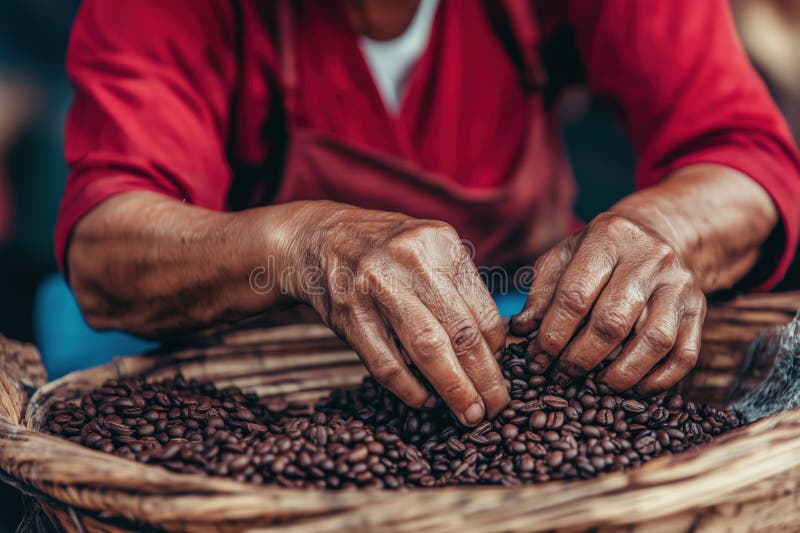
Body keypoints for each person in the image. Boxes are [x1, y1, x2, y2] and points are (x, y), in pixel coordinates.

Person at [57, 0, 800, 427]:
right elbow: (104, 248)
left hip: (534, 328)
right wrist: (301, 248)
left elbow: (741, 157)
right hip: (277, 361)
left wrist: (662, 231)